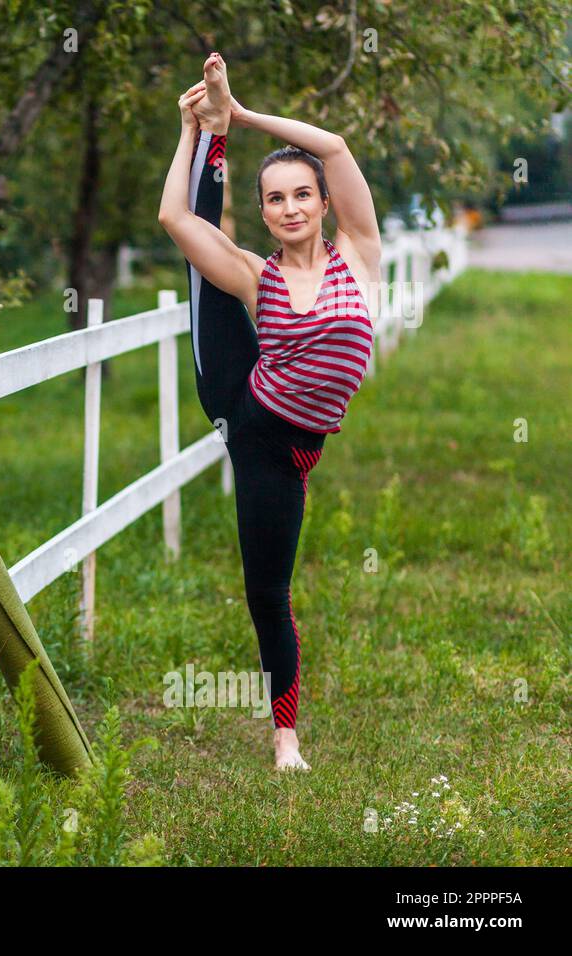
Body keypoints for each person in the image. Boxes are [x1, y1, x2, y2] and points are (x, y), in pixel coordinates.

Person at [156, 53, 379, 770]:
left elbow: (337, 148)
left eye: (301, 195)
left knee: (273, 586)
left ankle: (225, 127)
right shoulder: (259, 275)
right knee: (266, 591)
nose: (290, 208)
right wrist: (192, 132)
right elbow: (172, 219)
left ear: (321, 202)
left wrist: (243, 113)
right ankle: (286, 741)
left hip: (297, 450)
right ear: (264, 210)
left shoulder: (360, 256)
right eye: (275, 199)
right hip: (245, 411)